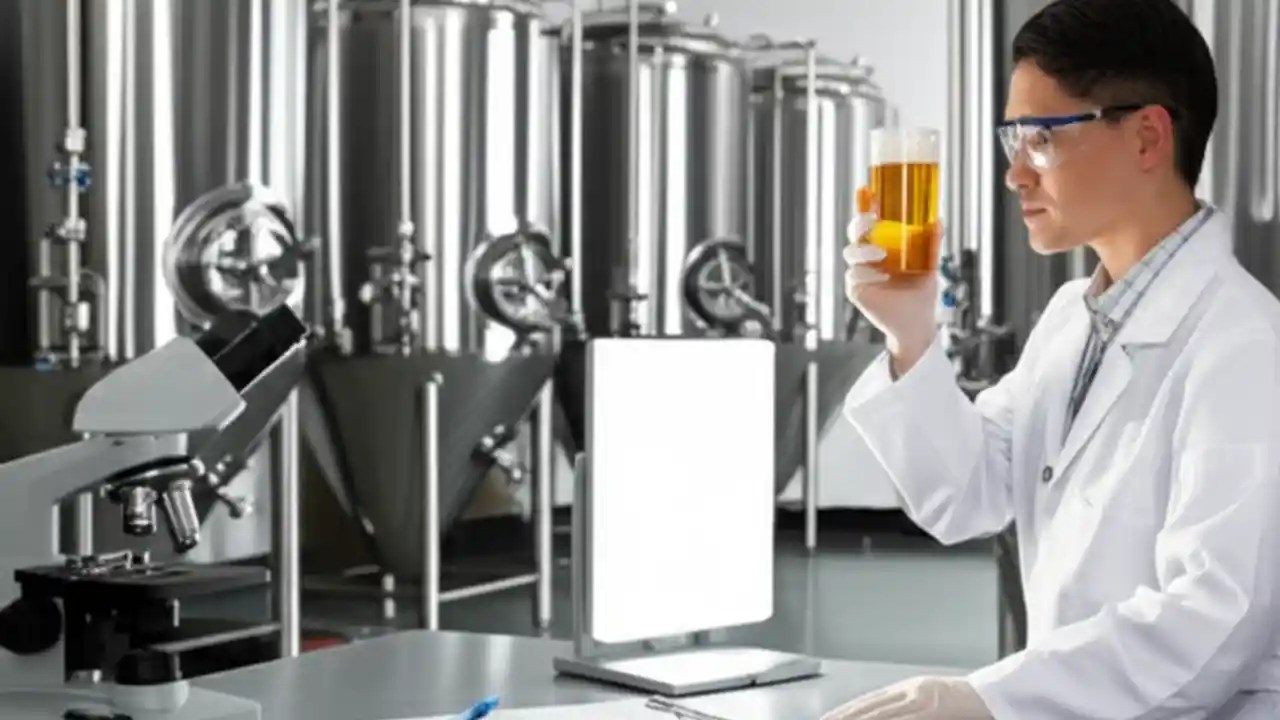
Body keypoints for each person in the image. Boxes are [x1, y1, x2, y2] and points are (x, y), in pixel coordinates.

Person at [823, 0, 1280, 718]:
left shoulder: (1245, 344)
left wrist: (985, 700)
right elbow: (967, 493)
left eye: (1040, 138)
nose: (1015, 176)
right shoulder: (1073, 319)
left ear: (1147, 137)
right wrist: (909, 335)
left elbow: (1211, 620)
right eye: (1014, 140)